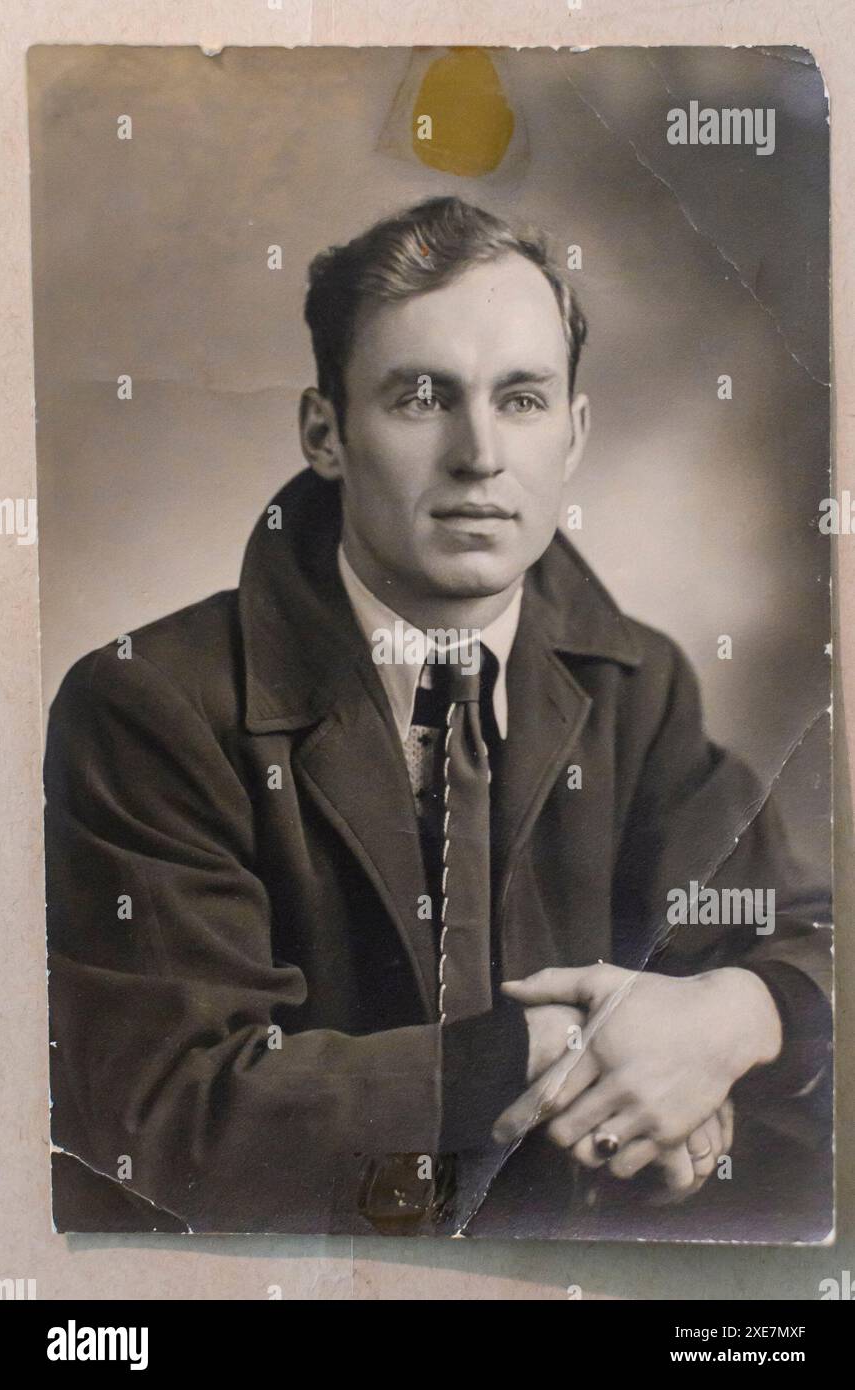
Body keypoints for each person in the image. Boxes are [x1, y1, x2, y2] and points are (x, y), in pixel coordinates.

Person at [45, 196, 832, 1239]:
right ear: (325, 432)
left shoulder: (636, 687)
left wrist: (732, 1019)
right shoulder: (148, 706)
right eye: (422, 398)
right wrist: (550, 1053)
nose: (479, 456)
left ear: (575, 432)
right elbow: (172, 1117)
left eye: (522, 399)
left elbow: (811, 938)